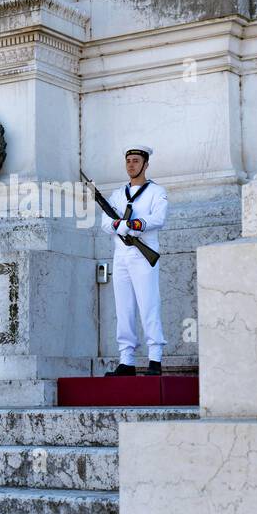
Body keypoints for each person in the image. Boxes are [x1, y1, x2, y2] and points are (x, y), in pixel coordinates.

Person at [100, 145, 168, 376]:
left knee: (149, 304)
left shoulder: (155, 192)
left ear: (146, 164)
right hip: (121, 256)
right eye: (128, 160)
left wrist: (133, 225)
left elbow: (158, 218)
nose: (131, 164)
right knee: (124, 308)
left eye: (136, 161)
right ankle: (126, 359)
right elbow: (105, 222)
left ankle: (155, 359)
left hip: (143, 254)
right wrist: (118, 225)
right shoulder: (118, 194)